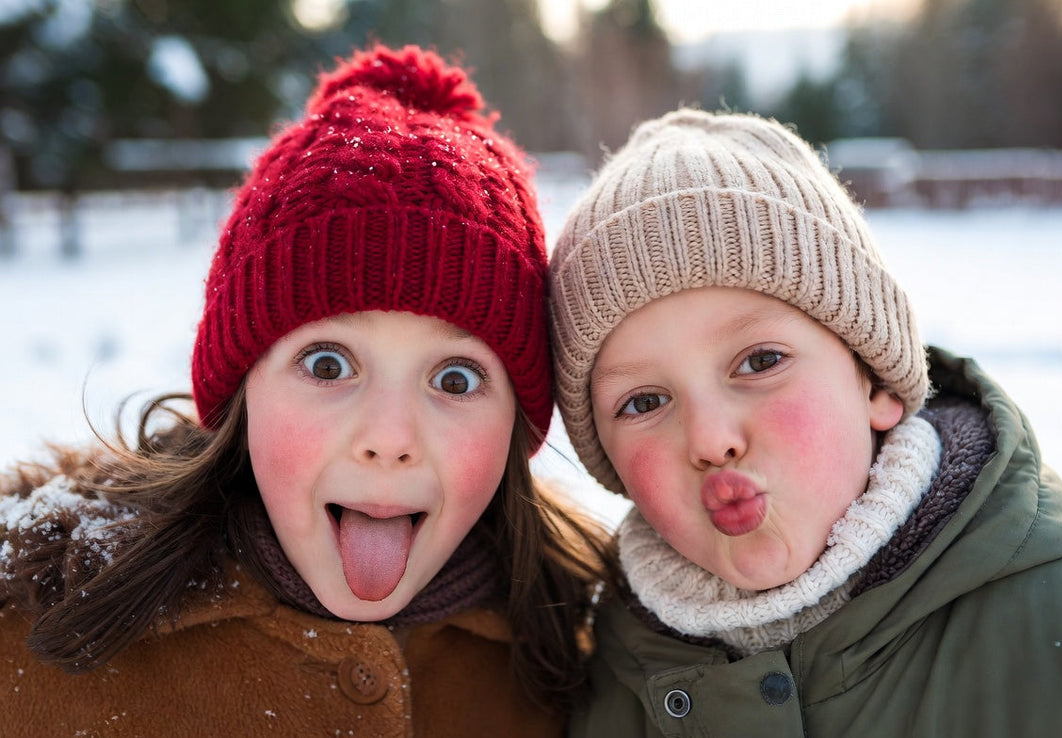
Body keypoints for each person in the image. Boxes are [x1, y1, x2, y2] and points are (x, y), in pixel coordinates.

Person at [0, 44, 613, 737]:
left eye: (455, 379)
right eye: (327, 366)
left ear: (516, 426)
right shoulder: (38, 643)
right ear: (242, 389)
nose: (389, 438)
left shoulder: (577, 661)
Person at [548, 109, 1062, 736]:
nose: (710, 439)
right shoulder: (598, 676)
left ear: (878, 382)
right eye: (644, 402)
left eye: (760, 362)